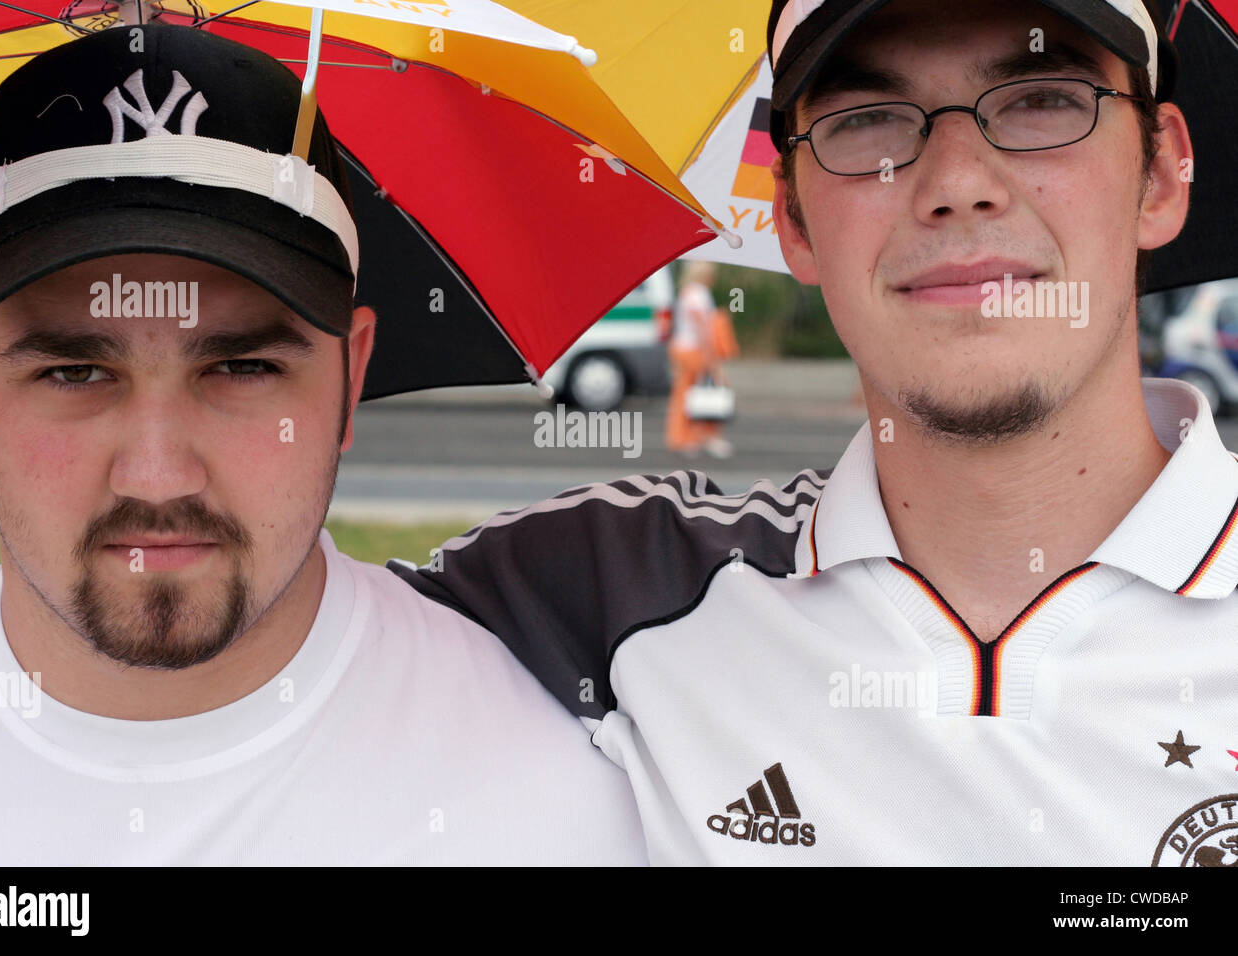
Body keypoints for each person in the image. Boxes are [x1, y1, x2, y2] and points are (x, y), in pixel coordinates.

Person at [391, 0, 1238, 865]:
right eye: (867, 120)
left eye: (1041, 102)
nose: (955, 183)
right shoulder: (595, 595)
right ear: (791, 221)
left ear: (1164, 173)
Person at [0, 23, 646, 865]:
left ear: (350, 380)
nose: (159, 477)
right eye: (73, 372)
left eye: (242, 366)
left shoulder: (558, 788)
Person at [665, 260, 736, 457]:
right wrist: (712, 358)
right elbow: (702, 329)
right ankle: (699, 437)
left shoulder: (688, 291)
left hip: (683, 348)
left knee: (686, 394)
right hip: (694, 351)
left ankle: (686, 437)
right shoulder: (699, 294)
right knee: (700, 393)